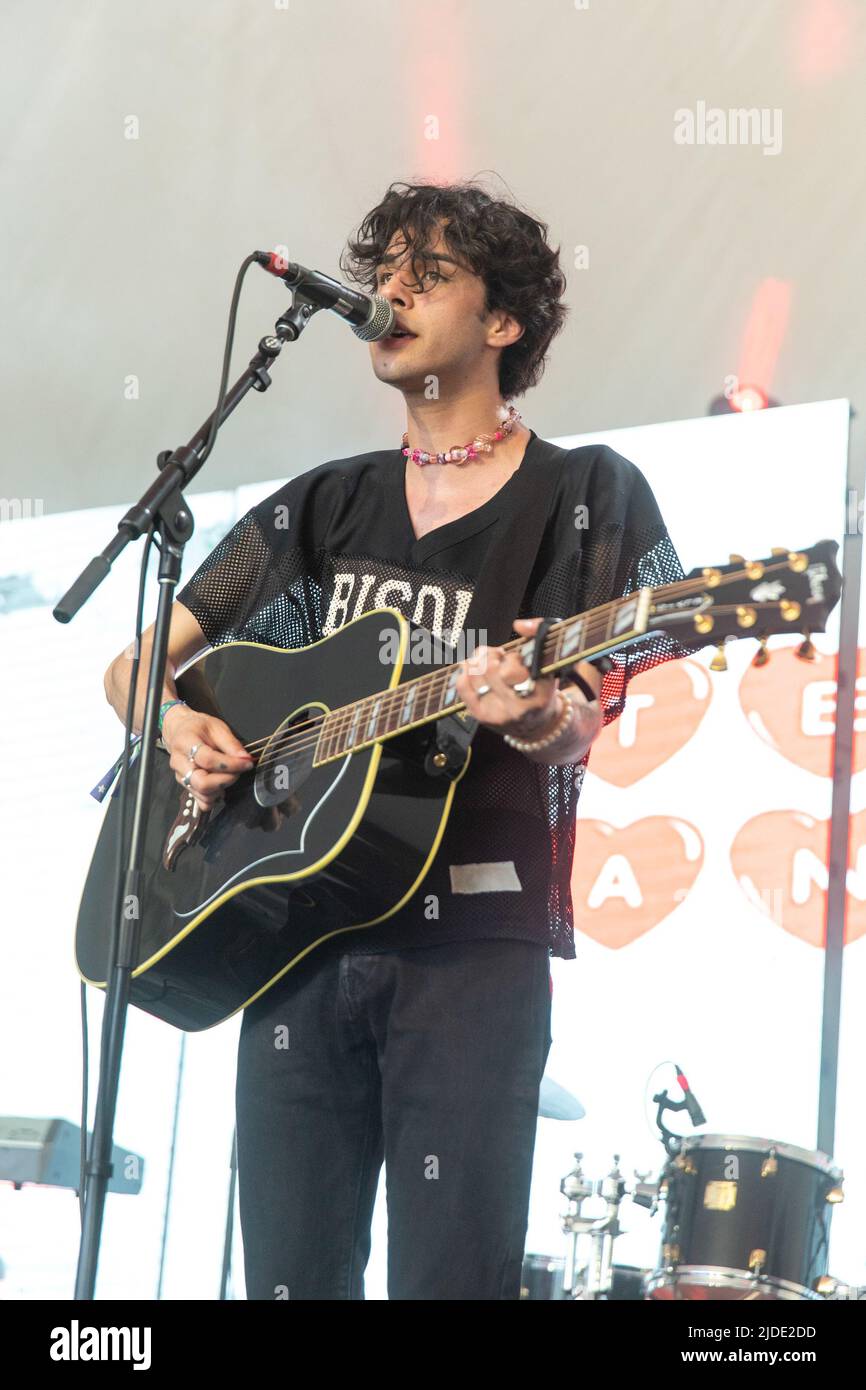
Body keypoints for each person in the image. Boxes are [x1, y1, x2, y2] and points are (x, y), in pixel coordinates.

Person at [103, 179, 686, 1299]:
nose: (390, 292)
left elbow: (577, 724)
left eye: (429, 273)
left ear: (502, 321)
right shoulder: (323, 504)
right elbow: (132, 665)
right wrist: (179, 722)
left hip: (469, 943)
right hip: (298, 935)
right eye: (384, 272)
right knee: (287, 1276)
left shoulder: (586, 494)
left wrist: (535, 713)